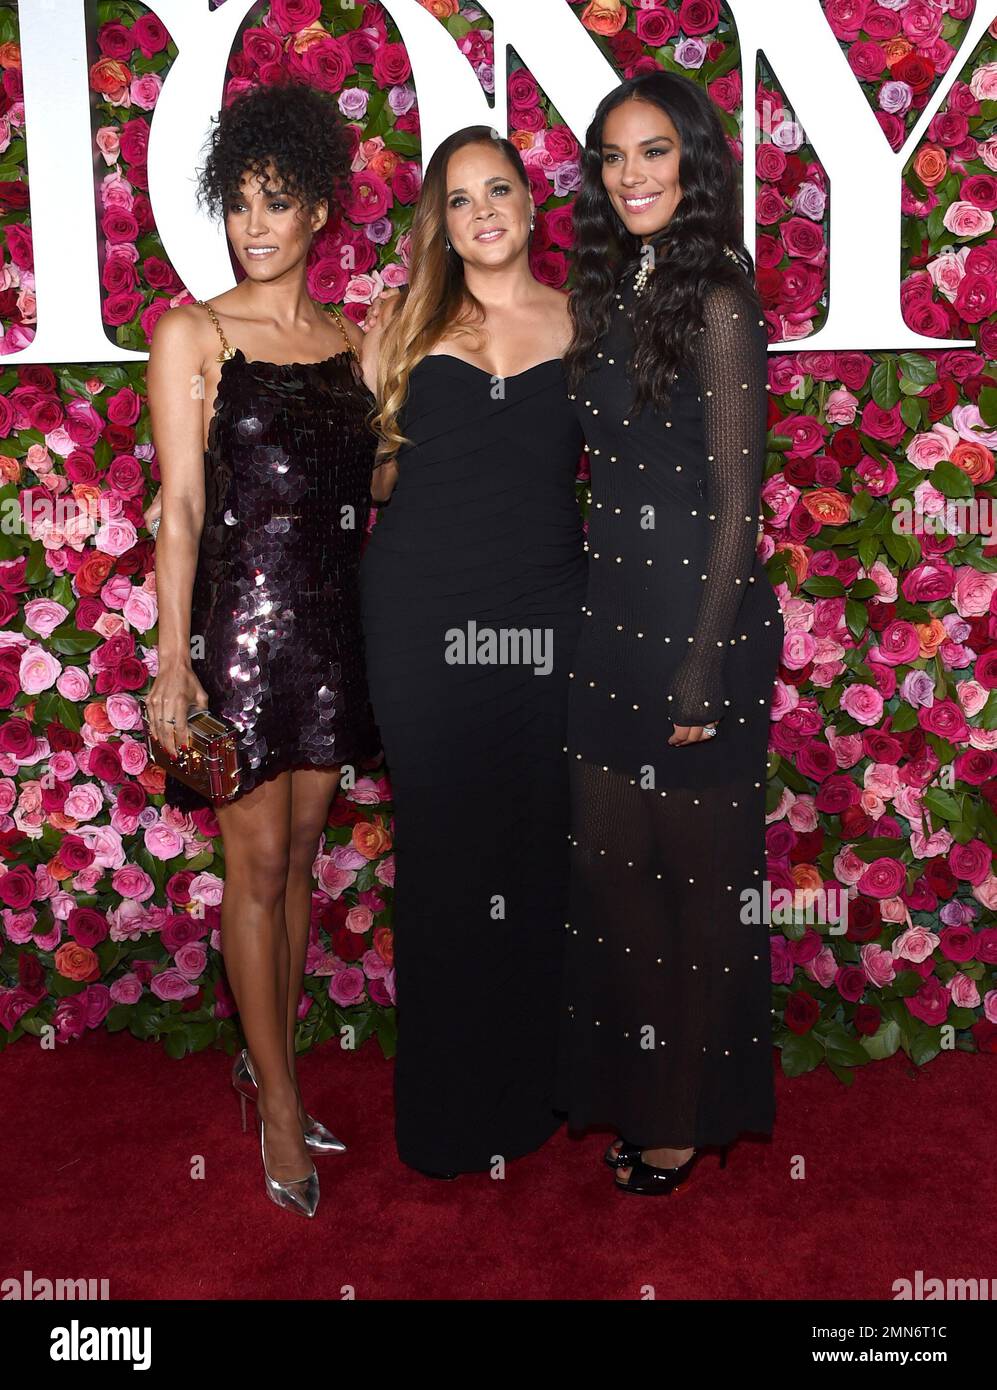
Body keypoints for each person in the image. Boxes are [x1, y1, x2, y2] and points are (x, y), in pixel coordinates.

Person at [144, 79, 381, 1218]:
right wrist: (172, 657)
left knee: (300, 867)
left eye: (278, 201)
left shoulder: (352, 344)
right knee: (256, 868)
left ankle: (265, 1060)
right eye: (239, 201)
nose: (255, 223)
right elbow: (180, 510)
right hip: (237, 637)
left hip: (334, 637)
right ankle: (280, 1106)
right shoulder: (191, 332)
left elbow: (381, 485)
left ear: (319, 214)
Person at [554, 72, 785, 1195]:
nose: (632, 174)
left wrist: (699, 672)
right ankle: (647, 1089)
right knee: (614, 883)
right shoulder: (606, 295)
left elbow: (740, 504)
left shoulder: (719, 303)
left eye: (654, 152)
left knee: (698, 894)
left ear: (694, 165)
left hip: (702, 630)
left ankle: (685, 1118)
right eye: (612, 156)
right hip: (611, 627)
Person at [359, 126, 587, 1178]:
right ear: (439, 223)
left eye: (498, 189)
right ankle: (448, 1118)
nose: (482, 209)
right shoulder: (400, 324)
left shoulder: (585, 321)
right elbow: (375, 484)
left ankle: (528, 1092)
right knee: (448, 858)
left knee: (535, 849)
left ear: (533, 207)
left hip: (545, 613)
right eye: (458, 198)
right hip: (421, 617)